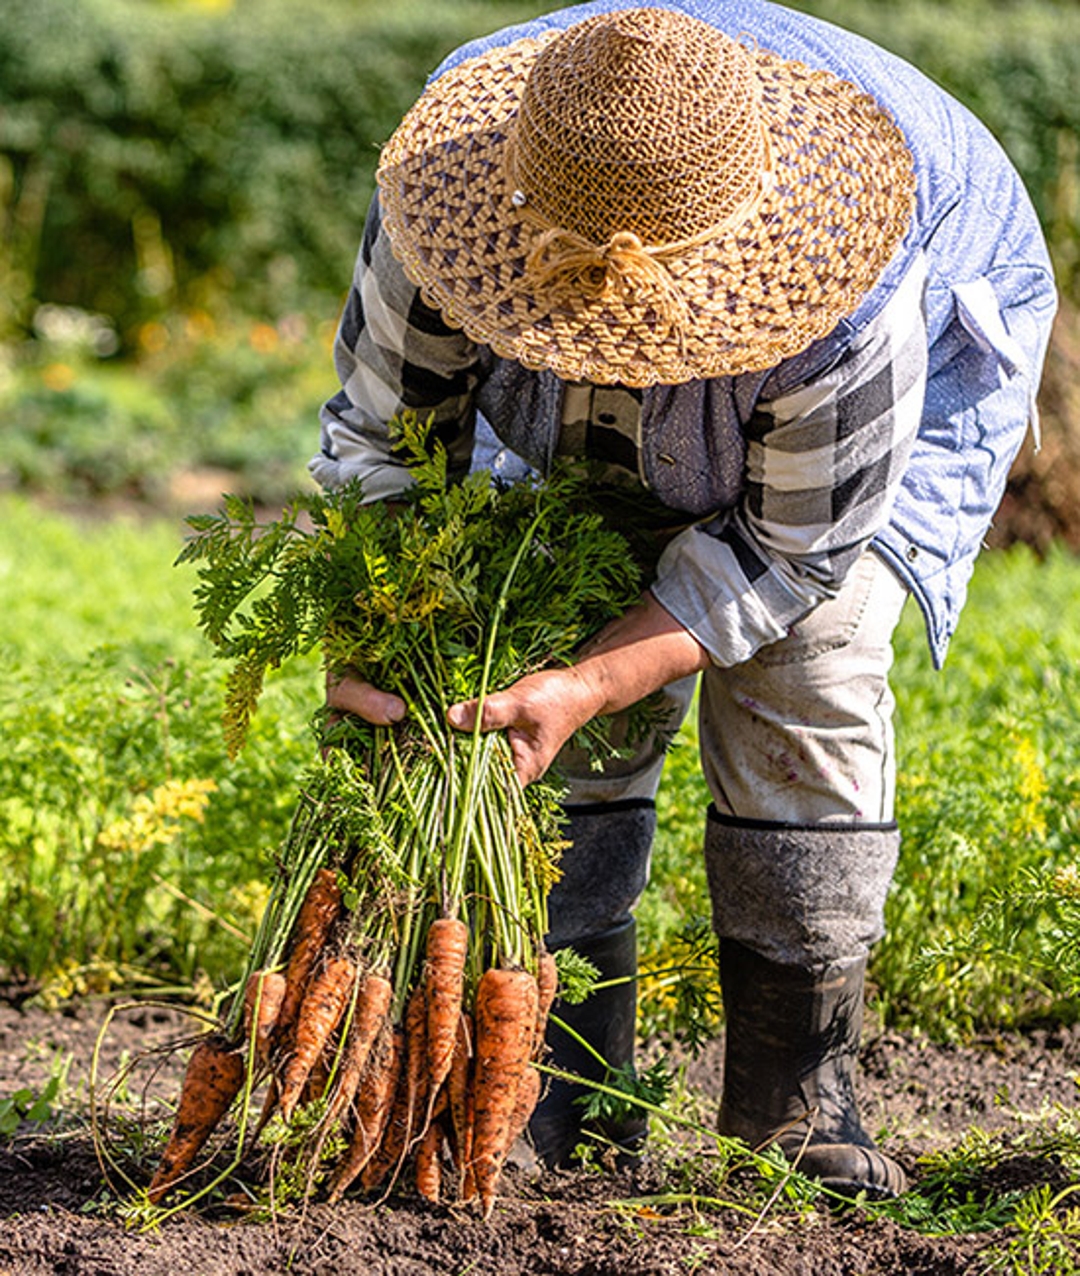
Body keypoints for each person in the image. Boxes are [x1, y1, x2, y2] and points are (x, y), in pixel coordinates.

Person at [314, 1, 1057, 1198]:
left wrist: (604, 672)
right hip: (561, 389)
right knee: (538, 694)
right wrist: (380, 631)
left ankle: (794, 1098)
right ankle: (563, 1087)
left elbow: (792, 551)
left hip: (836, 438)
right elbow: (385, 449)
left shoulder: (843, 275)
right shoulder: (448, 206)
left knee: (804, 678)